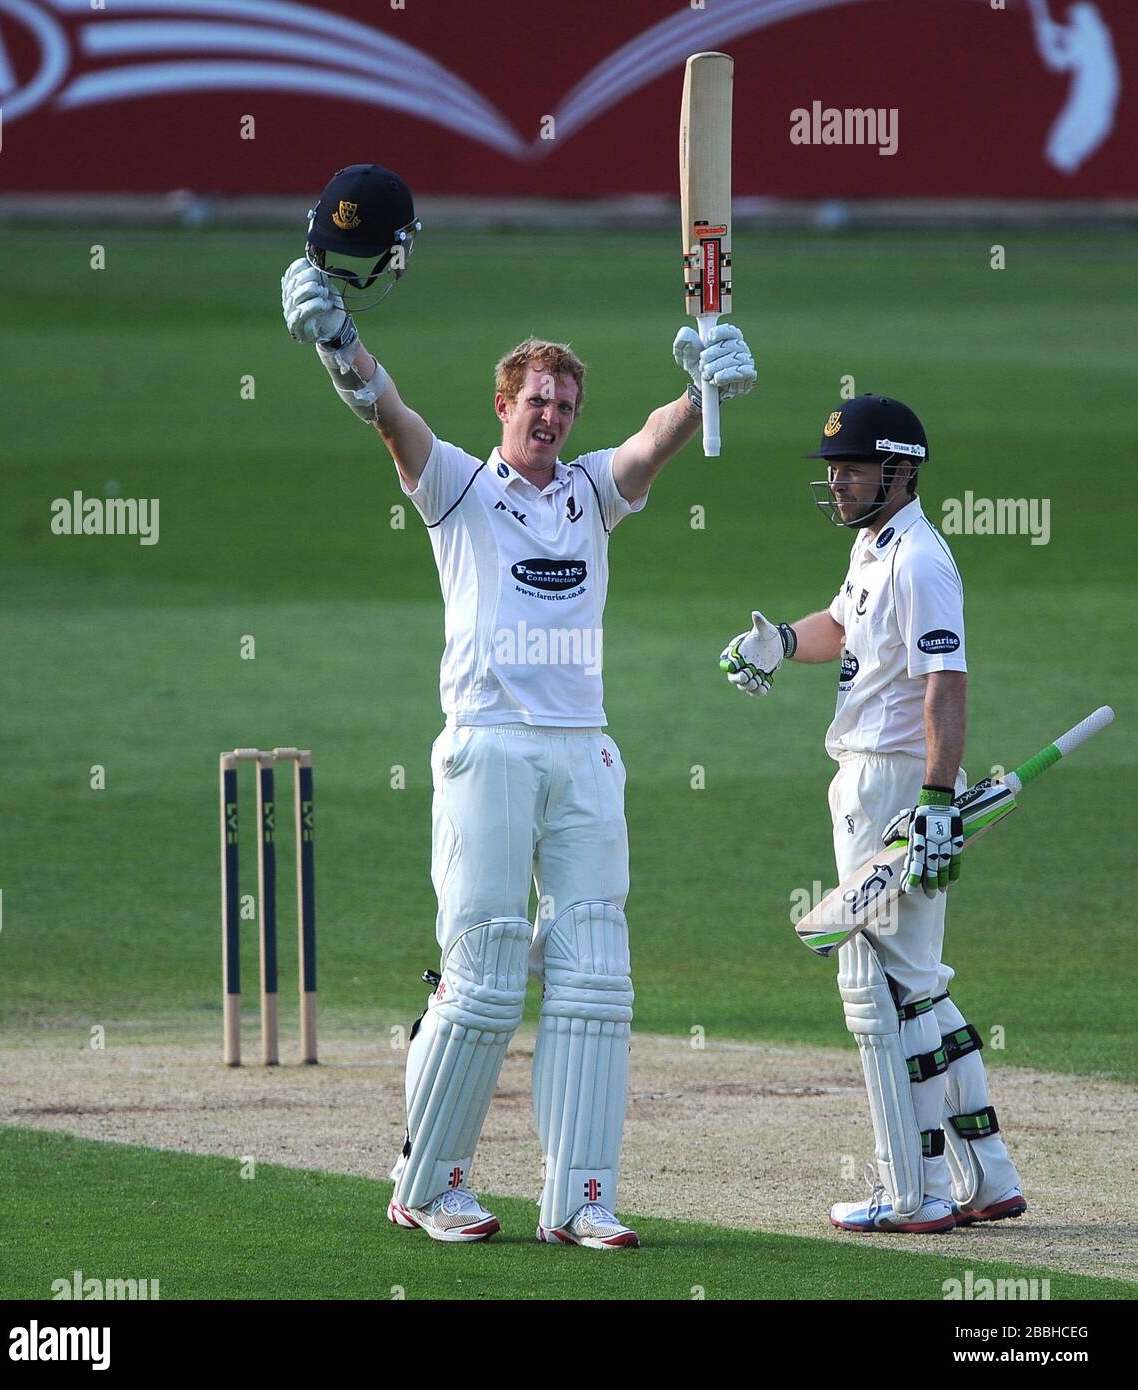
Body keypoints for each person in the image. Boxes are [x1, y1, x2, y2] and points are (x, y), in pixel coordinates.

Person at [280, 165, 757, 1248]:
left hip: (583, 755)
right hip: (487, 750)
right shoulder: (457, 487)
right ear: (504, 406)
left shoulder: (591, 491)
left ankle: (581, 1194)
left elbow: (649, 443)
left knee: (595, 975)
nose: (552, 413)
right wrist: (335, 343)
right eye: (535, 398)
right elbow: (384, 411)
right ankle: (429, 1180)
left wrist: (703, 391)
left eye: (565, 402)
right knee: (488, 964)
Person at [719, 394, 1026, 1233]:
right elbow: (841, 628)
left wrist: (931, 798)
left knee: (875, 990)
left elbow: (945, 682)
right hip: (876, 780)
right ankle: (987, 1177)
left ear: (900, 470)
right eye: (834, 470)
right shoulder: (873, 547)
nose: (839, 482)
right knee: (918, 988)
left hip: (891, 783)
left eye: (852, 469)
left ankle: (911, 1193)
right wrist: (779, 641)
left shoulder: (921, 560)